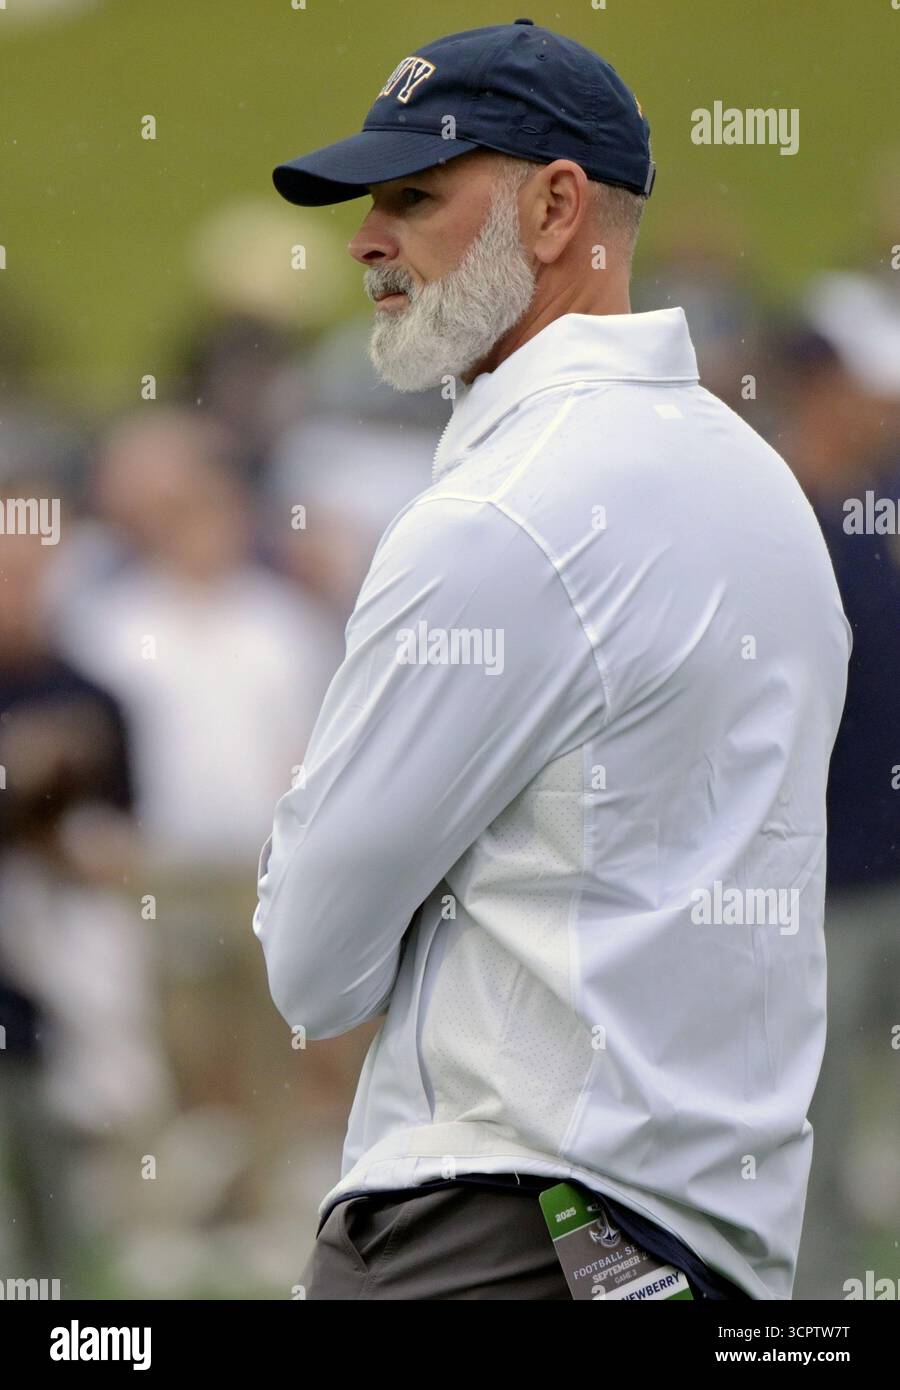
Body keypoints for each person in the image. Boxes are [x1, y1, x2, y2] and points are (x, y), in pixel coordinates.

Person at [254, 19, 851, 1300]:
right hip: (713, 1254)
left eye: (414, 195)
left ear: (555, 205)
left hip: (493, 1235)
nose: (367, 238)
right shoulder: (765, 490)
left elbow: (311, 964)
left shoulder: (502, 515)